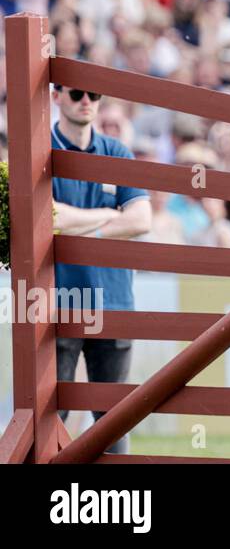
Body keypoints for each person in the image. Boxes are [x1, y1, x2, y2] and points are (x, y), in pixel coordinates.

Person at [50, 82, 152, 455]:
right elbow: (49, 216)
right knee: (49, 417)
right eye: (76, 93)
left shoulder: (118, 152)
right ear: (56, 96)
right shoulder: (42, 149)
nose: (86, 101)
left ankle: (115, 505)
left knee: (112, 420)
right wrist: (111, 214)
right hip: (58, 302)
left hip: (114, 301)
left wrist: (79, 223)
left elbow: (141, 220)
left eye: (94, 95)